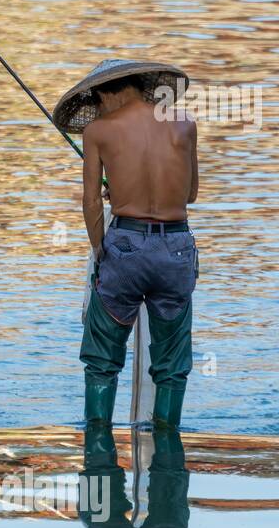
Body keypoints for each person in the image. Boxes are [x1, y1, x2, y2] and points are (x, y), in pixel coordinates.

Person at [52, 59, 199, 468]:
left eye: (95, 103)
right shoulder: (184, 124)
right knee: (171, 364)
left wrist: (102, 251)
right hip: (176, 248)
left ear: (106, 93)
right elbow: (190, 194)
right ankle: (167, 453)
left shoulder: (100, 131)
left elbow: (89, 202)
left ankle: (98, 449)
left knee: (102, 358)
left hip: (126, 246)